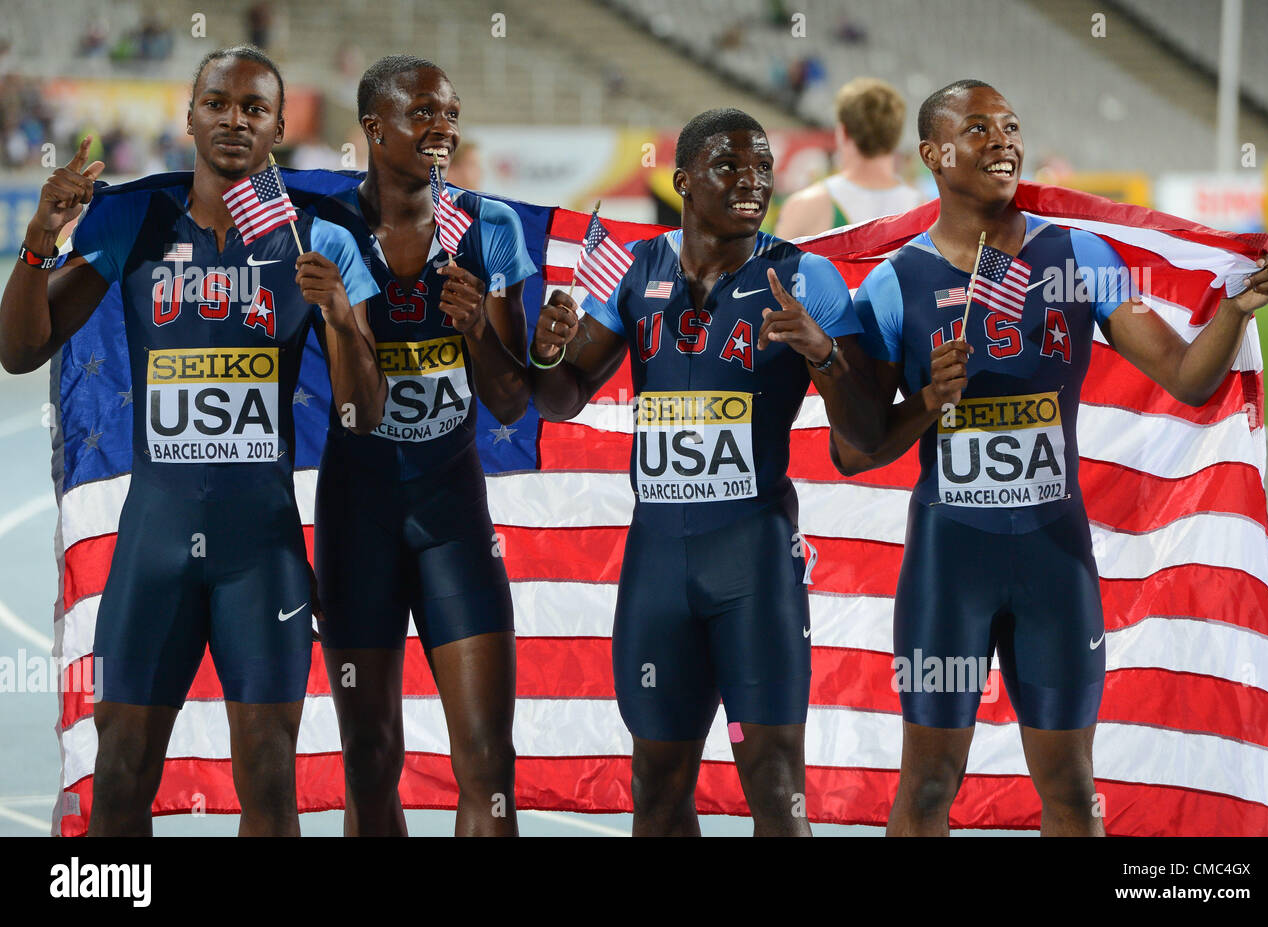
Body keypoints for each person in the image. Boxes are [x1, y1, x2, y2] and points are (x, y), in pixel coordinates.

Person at [833, 79, 1268, 836]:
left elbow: (1187, 378)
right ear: (934, 155)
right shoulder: (893, 283)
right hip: (949, 568)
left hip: (1055, 566)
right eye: (979, 129)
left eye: (1011, 125)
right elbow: (856, 449)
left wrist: (1234, 310)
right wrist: (925, 405)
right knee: (929, 784)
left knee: (1073, 787)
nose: (1005, 140)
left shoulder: (1077, 256)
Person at [0, 45, 385, 836]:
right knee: (118, 781)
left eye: (253, 108)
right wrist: (41, 239)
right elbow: (19, 350)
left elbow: (363, 414)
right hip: (154, 550)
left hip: (262, 553)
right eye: (217, 102)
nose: (234, 120)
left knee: (271, 785)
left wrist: (343, 319)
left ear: (279, 126)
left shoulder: (321, 239)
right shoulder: (134, 221)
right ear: (190, 115)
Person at [529, 108, 885, 836]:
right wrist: (544, 351)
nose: (752, 181)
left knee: (775, 780)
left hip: (753, 563)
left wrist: (824, 354)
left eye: (762, 168)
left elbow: (865, 437)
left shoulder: (803, 276)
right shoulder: (636, 270)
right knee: (657, 787)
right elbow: (562, 399)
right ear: (684, 180)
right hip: (657, 565)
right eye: (731, 166)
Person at [305, 56, 535, 836]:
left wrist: (476, 331)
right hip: (357, 512)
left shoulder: (489, 229)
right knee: (369, 757)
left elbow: (509, 401)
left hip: (452, 516)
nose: (444, 128)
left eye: (452, 113)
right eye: (424, 114)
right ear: (374, 129)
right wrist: (342, 320)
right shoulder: (325, 232)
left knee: (487, 759)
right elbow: (352, 410)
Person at [775, 77, 924, 239]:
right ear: (897, 136)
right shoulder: (925, 212)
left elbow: (770, 264)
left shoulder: (805, 206)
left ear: (843, 132)